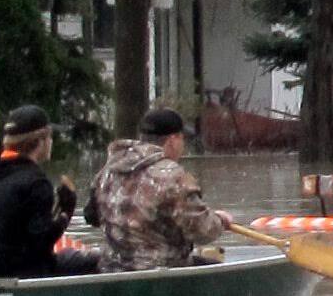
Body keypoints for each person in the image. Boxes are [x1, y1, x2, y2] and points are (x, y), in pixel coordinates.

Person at [89, 107, 230, 271]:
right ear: (173, 140)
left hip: (111, 268)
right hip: (159, 271)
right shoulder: (173, 177)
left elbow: (91, 215)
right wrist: (219, 221)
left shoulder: (108, 170)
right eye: (182, 139)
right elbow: (204, 231)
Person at [0, 105, 97, 278]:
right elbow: (41, 246)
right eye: (50, 137)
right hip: (25, 277)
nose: (51, 142)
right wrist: (65, 213)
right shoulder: (35, 183)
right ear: (41, 141)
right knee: (97, 260)